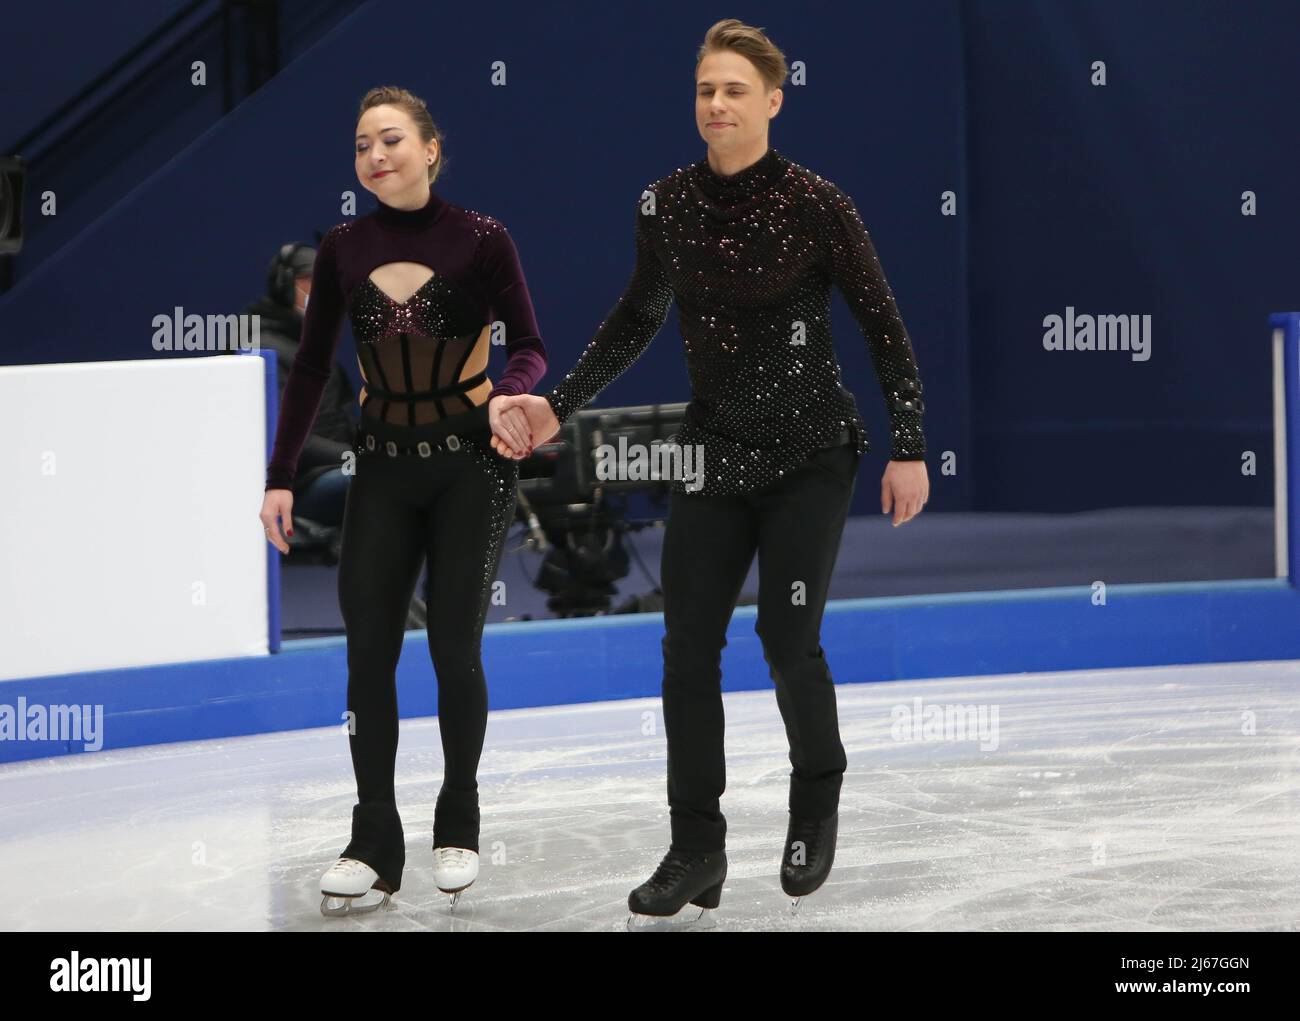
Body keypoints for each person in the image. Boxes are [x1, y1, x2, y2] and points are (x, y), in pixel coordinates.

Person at [492, 19, 930, 920]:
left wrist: (910, 445)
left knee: (784, 636)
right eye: (705, 90)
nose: (717, 104)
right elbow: (633, 318)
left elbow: (884, 327)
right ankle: (697, 845)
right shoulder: (665, 204)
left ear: (773, 100)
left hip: (812, 454)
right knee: (686, 646)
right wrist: (555, 403)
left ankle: (817, 793)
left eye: (735, 89)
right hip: (715, 451)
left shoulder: (818, 204)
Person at [258, 84, 547, 915]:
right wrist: (278, 476)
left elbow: (527, 347)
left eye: (390, 140)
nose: (375, 156)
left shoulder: (482, 239)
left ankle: (458, 819)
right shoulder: (344, 246)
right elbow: (312, 370)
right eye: (361, 146)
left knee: (454, 649)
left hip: (469, 465)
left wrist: (511, 395)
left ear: (430, 148)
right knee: (368, 655)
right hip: (381, 469)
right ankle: (372, 840)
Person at [248, 242, 355, 528]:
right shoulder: (260, 349)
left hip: (336, 468)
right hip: (298, 486)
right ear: (283, 285)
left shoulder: (317, 346)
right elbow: (287, 442)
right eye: (309, 282)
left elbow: (340, 421)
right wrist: (358, 459)